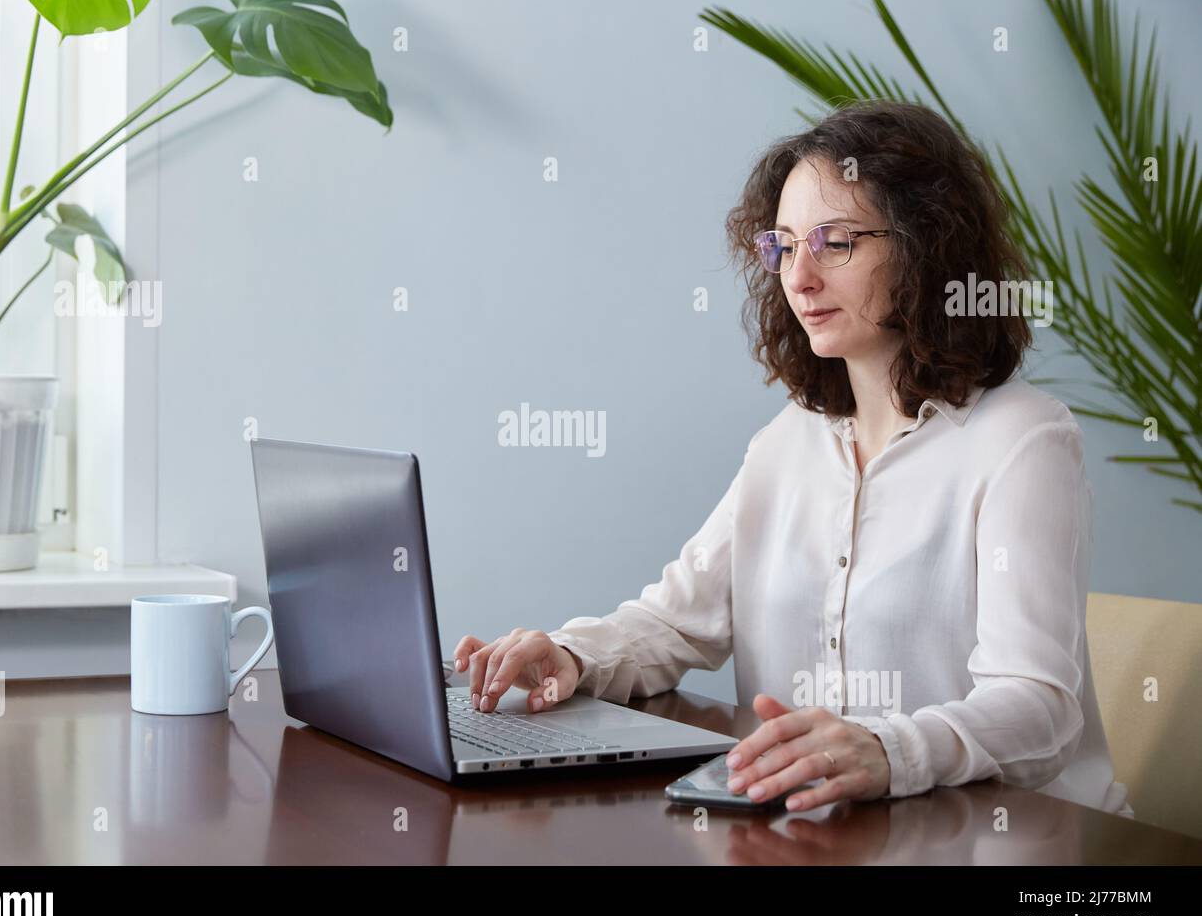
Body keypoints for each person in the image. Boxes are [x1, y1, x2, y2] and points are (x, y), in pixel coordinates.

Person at [453, 100, 1131, 819]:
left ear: (926, 245)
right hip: (823, 834)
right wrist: (571, 656)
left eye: (834, 243)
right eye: (782, 246)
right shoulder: (789, 441)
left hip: (1013, 841)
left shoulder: (1023, 439)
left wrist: (886, 750)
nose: (799, 277)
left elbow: (1039, 709)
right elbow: (677, 622)